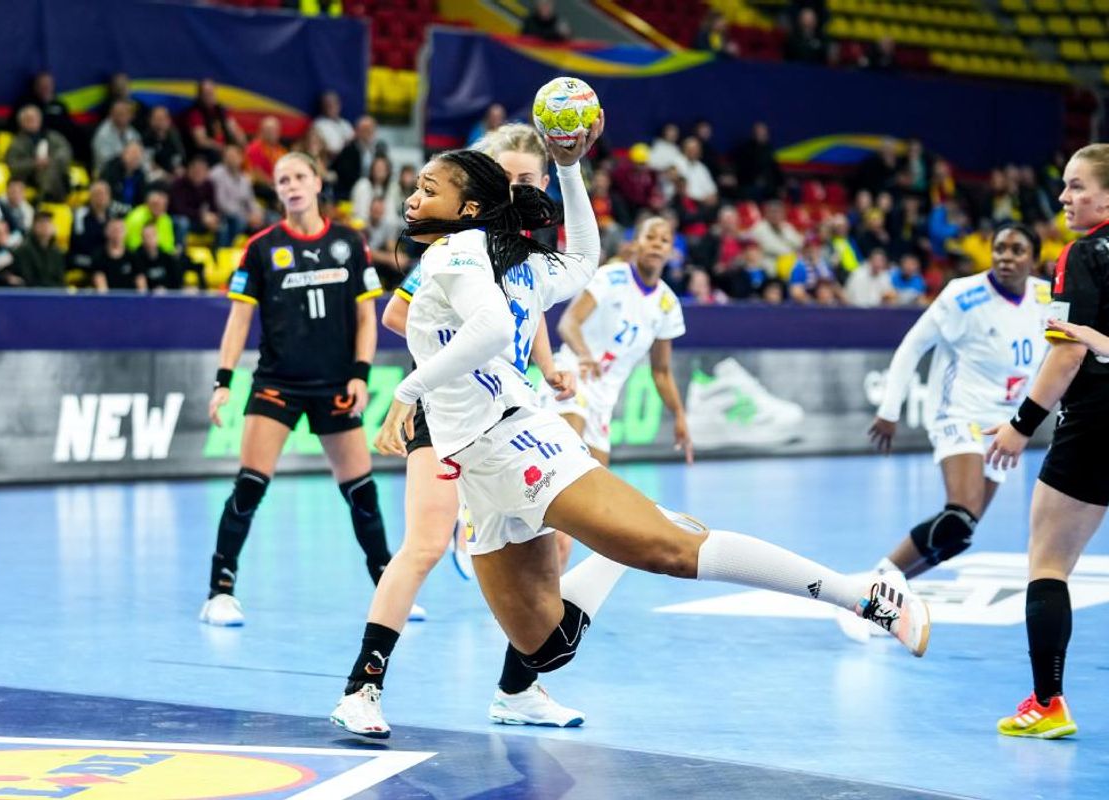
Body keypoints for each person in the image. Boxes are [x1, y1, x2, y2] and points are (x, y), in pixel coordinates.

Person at [358, 138, 931, 738]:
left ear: (470, 207)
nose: (413, 196)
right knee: (544, 643)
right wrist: (573, 170)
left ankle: (858, 593)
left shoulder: (460, 251)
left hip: (515, 441)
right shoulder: (499, 257)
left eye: (429, 187)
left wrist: (405, 394)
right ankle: (621, 544)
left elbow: (499, 322)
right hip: (479, 463)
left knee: (669, 552)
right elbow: (581, 260)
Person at [330, 123, 583, 740]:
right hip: (447, 413)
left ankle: (518, 688)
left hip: (509, 420)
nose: (519, 186)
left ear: (542, 183)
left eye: (529, 178)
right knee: (424, 543)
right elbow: (399, 310)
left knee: (557, 548)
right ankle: (362, 688)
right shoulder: (461, 248)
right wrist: (443, 362)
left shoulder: (526, 257)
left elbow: (528, 314)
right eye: (509, 176)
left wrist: (545, 365)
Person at [201, 152, 391, 627]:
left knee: (362, 493)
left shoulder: (350, 242)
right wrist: (224, 383)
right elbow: (238, 321)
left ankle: (389, 585)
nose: (291, 185)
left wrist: (359, 375)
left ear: (317, 181)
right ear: (277, 189)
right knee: (249, 485)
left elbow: (368, 317)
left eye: (299, 176)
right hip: (278, 384)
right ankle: (219, 592)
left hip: (335, 384)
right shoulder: (262, 248)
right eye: (282, 179)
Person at [838, 223, 1052, 643]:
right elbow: (912, 346)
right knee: (959, 513)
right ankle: (867, 594)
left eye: (1017, 249)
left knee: (960, 533)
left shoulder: (1048, 297)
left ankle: (883, 596)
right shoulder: (962, 295)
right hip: (959, 413)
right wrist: (889, 410)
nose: (1006, 256)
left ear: (1034, 258)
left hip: (1004, 425)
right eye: (999, 248)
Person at [985, 144, 1109, 739]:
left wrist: (1020, 424)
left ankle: (1047, 702)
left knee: (1048, 563)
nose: (1064, 198)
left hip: (1096, 421)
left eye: (1078, 187)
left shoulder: (1082, 255)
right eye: (1064, 186)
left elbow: (1067, 351)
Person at [549, 215, 693, 474]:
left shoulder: (668, 304)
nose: (657, 245)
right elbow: (568, 323)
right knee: (567, 465)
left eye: (664, 240)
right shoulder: (609, 277)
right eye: (650, 237)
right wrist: (584, 355)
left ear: (671, 251)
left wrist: (679, 415)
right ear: (636, 242)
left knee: (595, 486)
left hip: (604, 400)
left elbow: (660, 371)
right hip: (572, 377)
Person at [91, 218, 145, 293]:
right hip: (109, 301)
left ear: (125, 232)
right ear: (106, 232)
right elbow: (101, 286)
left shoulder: (133, 256)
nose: (117, 234)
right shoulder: (99, 256)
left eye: (120, 230)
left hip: (131, 300)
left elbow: (141, 284)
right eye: (114, 230)